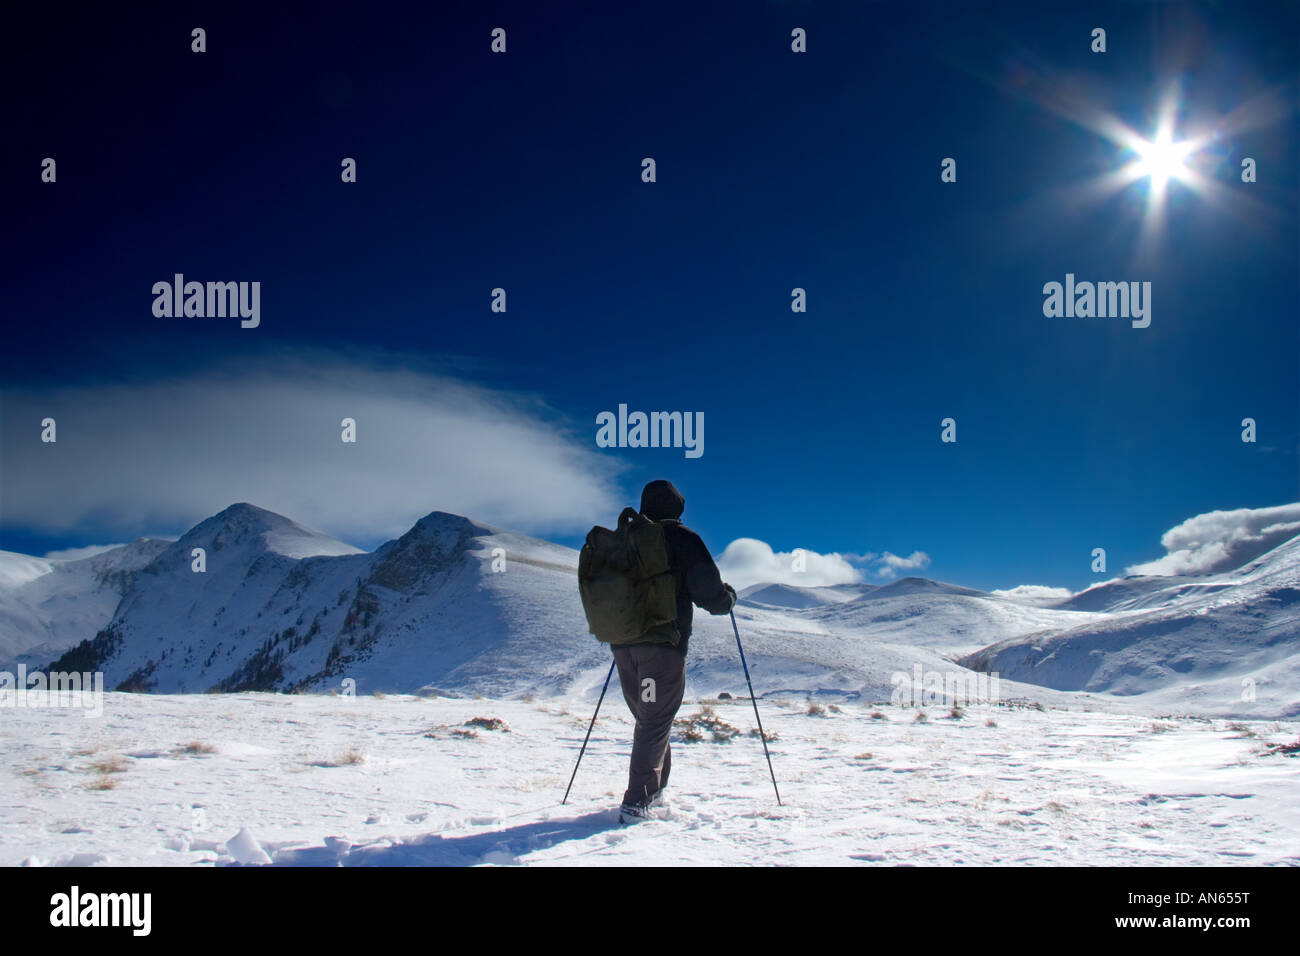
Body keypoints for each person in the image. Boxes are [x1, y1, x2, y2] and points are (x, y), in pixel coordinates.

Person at [613, 479, 737, 820]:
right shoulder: (684, 539)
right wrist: (728, 598)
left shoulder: (626, 539)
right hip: (662, 649)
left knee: (650, 719)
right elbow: (711, 596)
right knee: (654, 722)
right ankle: (636, 802)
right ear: (677, 507)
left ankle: (654, 792)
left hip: (623, 647)